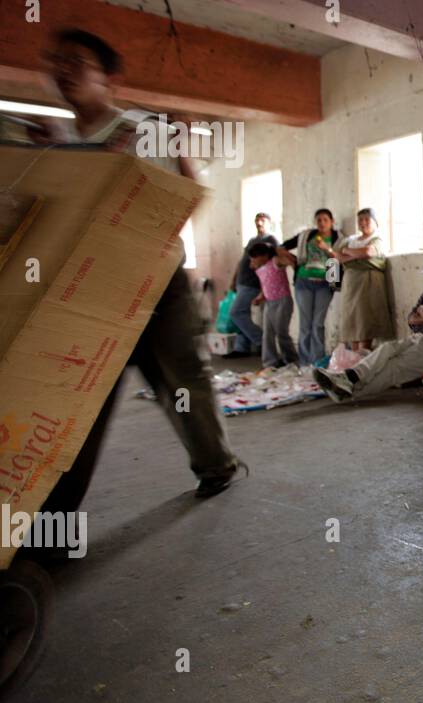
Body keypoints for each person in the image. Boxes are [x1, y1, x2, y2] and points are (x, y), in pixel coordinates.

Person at [31, 28, 243, 501]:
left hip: (156, 282)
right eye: (56, 62)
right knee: (82, 396)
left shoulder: (141, 130)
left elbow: (183, 198)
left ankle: (216, 465)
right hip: (92, 288)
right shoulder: (52, 139)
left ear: (109, 79)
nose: (63, 70)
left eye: (76, 61)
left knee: (184, 378)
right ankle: (56, 523)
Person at [313, 256, 423, 402]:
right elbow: (411, 319)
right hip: (420, 338)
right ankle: (350, 376)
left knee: (394, 368)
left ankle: (352, 391)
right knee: (387, 348)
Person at [276, 209, 339, 366]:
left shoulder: (337, 238)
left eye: (325, 220)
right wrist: (292, 260)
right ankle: (304, 363)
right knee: (305, 324)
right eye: (319, 220)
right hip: (304, 282)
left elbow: (339, 258)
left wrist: (326, 248)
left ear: (332, 222)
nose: (322, 223)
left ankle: (317, 362)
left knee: (318, 323)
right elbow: (281, 247)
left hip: (325, 284)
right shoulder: (307, 236)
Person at [328, 208, 392, 352]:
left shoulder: (377, 239)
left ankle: (362, 361)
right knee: (353, 323)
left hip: (368, 283)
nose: (363, 223)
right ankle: (354, 361)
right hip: (350, 284)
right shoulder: (351, 240)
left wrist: (348, 252)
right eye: (360, 220)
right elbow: (338, 257)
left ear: (375, 222)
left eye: (367, 219)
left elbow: (369, 252)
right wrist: (355, 255)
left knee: (365, 322)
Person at [225, 212, 278, 359]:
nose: (259, 223)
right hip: (241, 281)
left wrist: (263, 289)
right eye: (257, 220)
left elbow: (271, 265)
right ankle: (241, 348)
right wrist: (233, 279)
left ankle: (261, 341)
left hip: (252, 283)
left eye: (262, 220)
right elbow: (241, 261)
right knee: (243, 314)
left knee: (236, 313)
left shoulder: (271, 240)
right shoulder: (252, 240)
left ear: (269, 223)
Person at [248, 244, 297, 368]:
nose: (252, 261)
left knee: (281, 333)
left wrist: (281, 254)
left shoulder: (275, 261)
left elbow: (290, 260)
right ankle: (270, 362)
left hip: (282, 301)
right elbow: (265, 286)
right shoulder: (259, 269)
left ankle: (291, 359)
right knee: (267, 333)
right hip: (269, 303)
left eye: (255, 258)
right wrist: (260, 297)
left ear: (264, 256)